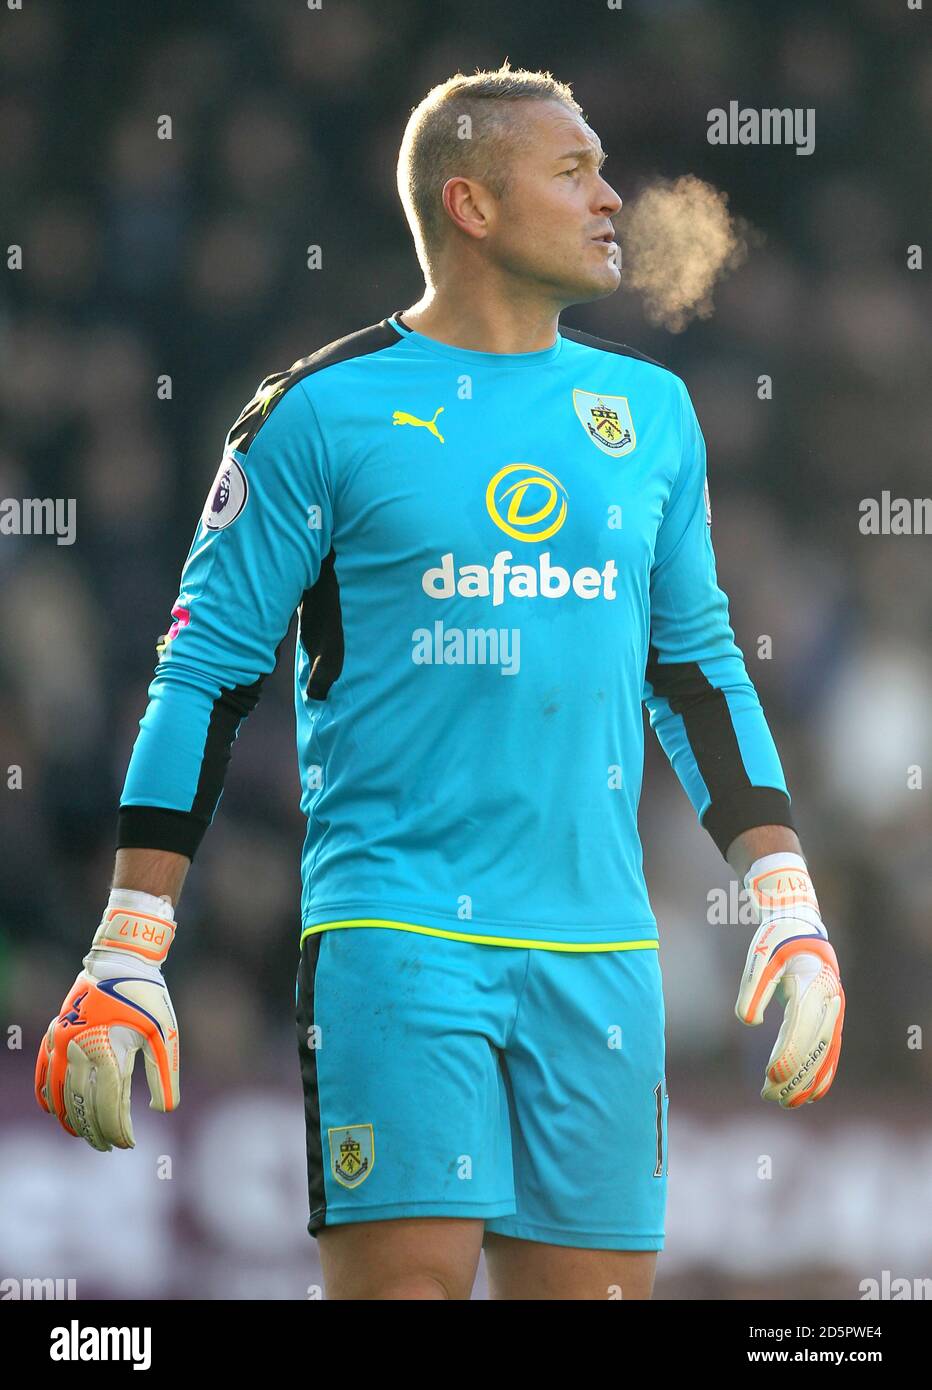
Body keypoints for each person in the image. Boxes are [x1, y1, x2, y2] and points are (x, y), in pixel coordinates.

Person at [35, 64, 844, 1301]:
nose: (611, 196)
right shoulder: (316, 413)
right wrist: (129, 944)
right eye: (573, 170)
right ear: (469, 204)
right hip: (398, 937)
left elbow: (693, 669)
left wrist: (783, 899)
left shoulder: (650, 413)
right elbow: (202, 672)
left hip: (602, 951)